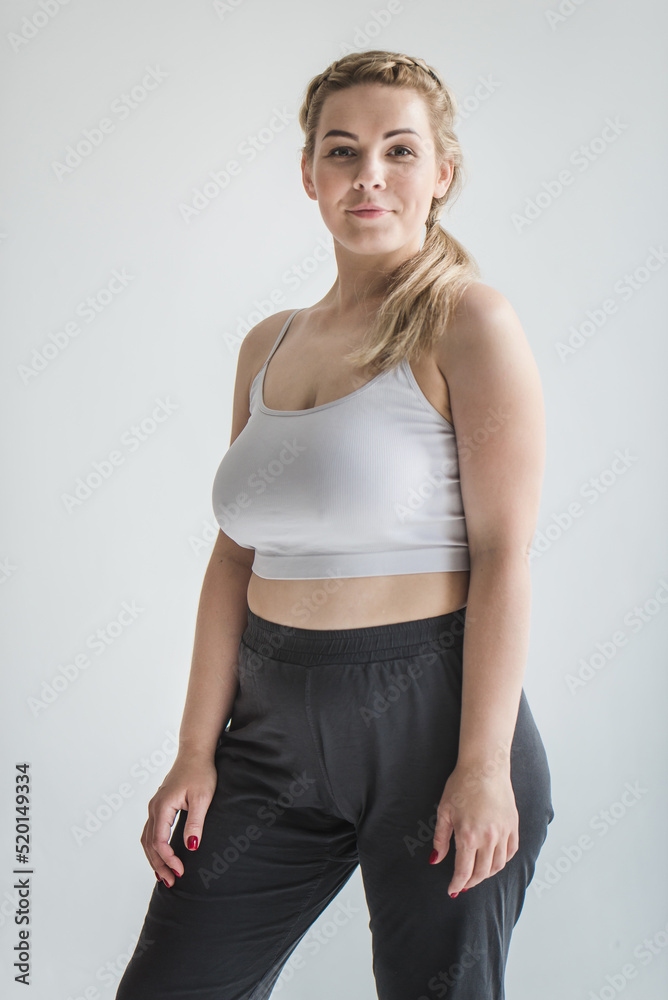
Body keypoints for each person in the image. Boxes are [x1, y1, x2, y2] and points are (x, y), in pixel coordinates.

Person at [115, 49, 555, 1000]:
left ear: (442, 173)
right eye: (342, 150)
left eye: (400, 150)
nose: (369, 175)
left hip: (430, 721)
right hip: (268, 728)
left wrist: (483, 767)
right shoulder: (266, 344)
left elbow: (505, 554)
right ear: (309, 174)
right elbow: (234, 557)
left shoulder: (468, 323)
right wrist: (195, 752)